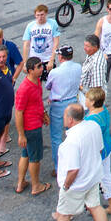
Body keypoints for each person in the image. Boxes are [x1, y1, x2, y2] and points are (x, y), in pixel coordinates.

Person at [33, 105, 111, 221]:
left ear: (70, 119)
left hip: (76, 185)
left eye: (64, 116)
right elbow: (100, 150)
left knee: (63, 216)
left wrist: (66, 186)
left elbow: (73, 170)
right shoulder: (94, 126)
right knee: (95, 206)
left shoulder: (70, 143)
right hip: (93, 177)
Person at [14, 57, 50, 197]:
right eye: (39, 66)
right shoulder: (24, 89)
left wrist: (44, 114)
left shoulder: (36, 81)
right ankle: (36, 186)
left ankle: (21, 183)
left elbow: (37, 103)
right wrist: (21, 134)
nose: (42, 68)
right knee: (35, 158)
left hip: (33, 125)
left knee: (25, 155)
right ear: (30, 71)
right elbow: (18, 113)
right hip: (31, 129)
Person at [45, 45, 81, 176]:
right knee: (72, 135)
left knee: (56, 137)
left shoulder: (55, 72)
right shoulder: (78, 67)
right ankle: (74, 163)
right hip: (72, 101)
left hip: (59, 105)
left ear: (60, 57)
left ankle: (59, 167)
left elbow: (48, 86)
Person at [85, 85, 111, 216]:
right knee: (105, 175)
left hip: (99, 152)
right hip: (107, 146)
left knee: (103, 177)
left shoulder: (91, 120)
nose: (85, 100)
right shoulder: (103, 110)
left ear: (92, 102)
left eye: (87, 98)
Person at [22, 3, 59, 72]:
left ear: (46, 14)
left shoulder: (52, 24)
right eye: (37, 15)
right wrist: (25, 63)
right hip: (34, 60)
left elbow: (56, 43)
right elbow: (26, 45)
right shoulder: (30, 26)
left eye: (42, 15)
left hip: (47, 59)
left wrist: (51, 60)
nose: (40, 17)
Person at [0, 45, 15, 180]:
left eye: (3, 56)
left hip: (6, 111)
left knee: (0, 135)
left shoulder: (6, 69)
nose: (1, 59)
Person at [79, 33, 109, 109]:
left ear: (95, 47)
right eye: (84, 45)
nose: (84, 48)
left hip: (91, 101)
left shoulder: (97, 64)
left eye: (87, 46)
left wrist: (80, 87)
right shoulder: (92, 53)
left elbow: (97, 89)